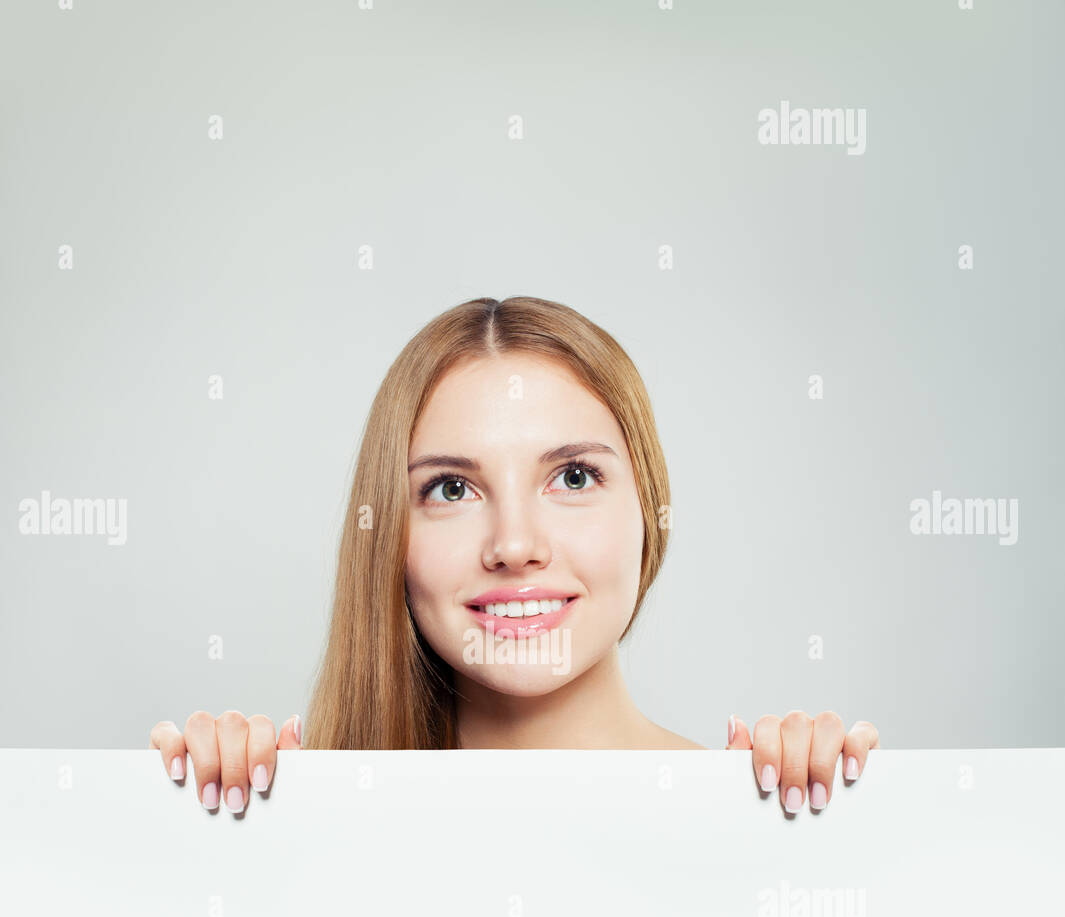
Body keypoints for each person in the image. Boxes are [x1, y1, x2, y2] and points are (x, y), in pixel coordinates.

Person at [149, 296, 878, 814]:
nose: (514, 546)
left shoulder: (758, 805)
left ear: (648, 510)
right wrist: (216, 813)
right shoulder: (302, 813)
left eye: (571, 477)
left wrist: (815, 815)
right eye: (451, 489)